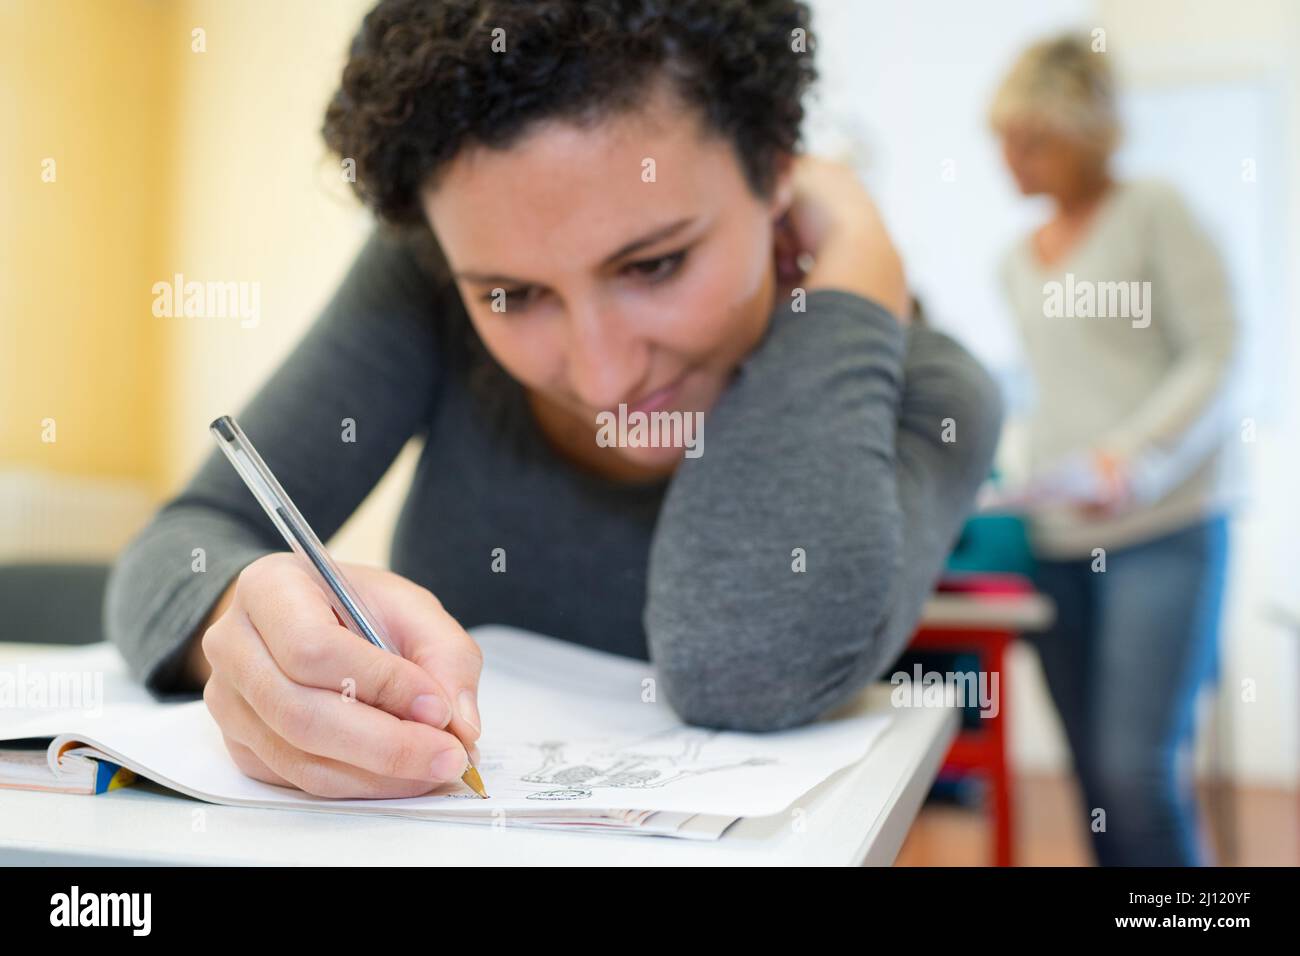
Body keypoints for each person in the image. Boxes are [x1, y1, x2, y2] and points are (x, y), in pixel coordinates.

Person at [105, 0, 1002, 800]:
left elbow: (747, 667)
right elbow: (183, 543)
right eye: (510, 296)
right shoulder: (426, 285)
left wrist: (851, 273)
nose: (604, 377)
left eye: (654, 265)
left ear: (776, 172)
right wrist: (247, 618)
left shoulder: (925, 392)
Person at [990, 33, 1238, 865]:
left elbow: (1219, 351)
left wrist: (1133, 457)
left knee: (1136, 774)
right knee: (1094, 780)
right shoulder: (1015, 261)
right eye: (1003, 142)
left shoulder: (1153, 211)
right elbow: (1058, 388)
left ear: (1082, 133)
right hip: (1056, 537)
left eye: (1030, 141)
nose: (1011, 160)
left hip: (1159, 532)